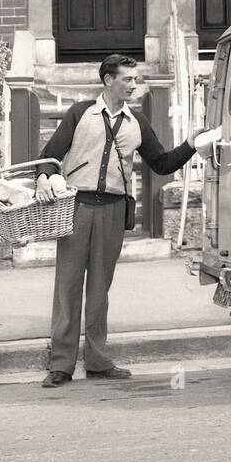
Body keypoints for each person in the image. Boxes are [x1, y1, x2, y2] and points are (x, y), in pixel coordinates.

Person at [36, 53, 203, 387]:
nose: (133, 85)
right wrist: (43, 176)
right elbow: (50, 155)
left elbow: (162, 163)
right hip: (76, 206)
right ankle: (61, 365)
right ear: (108, 80)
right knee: (68, 286)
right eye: (127, 79)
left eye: (135, 79)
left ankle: (97, 361)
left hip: (113, 210)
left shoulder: (137, 121)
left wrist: (191, 144)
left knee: (100, 289)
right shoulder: (79, 113)